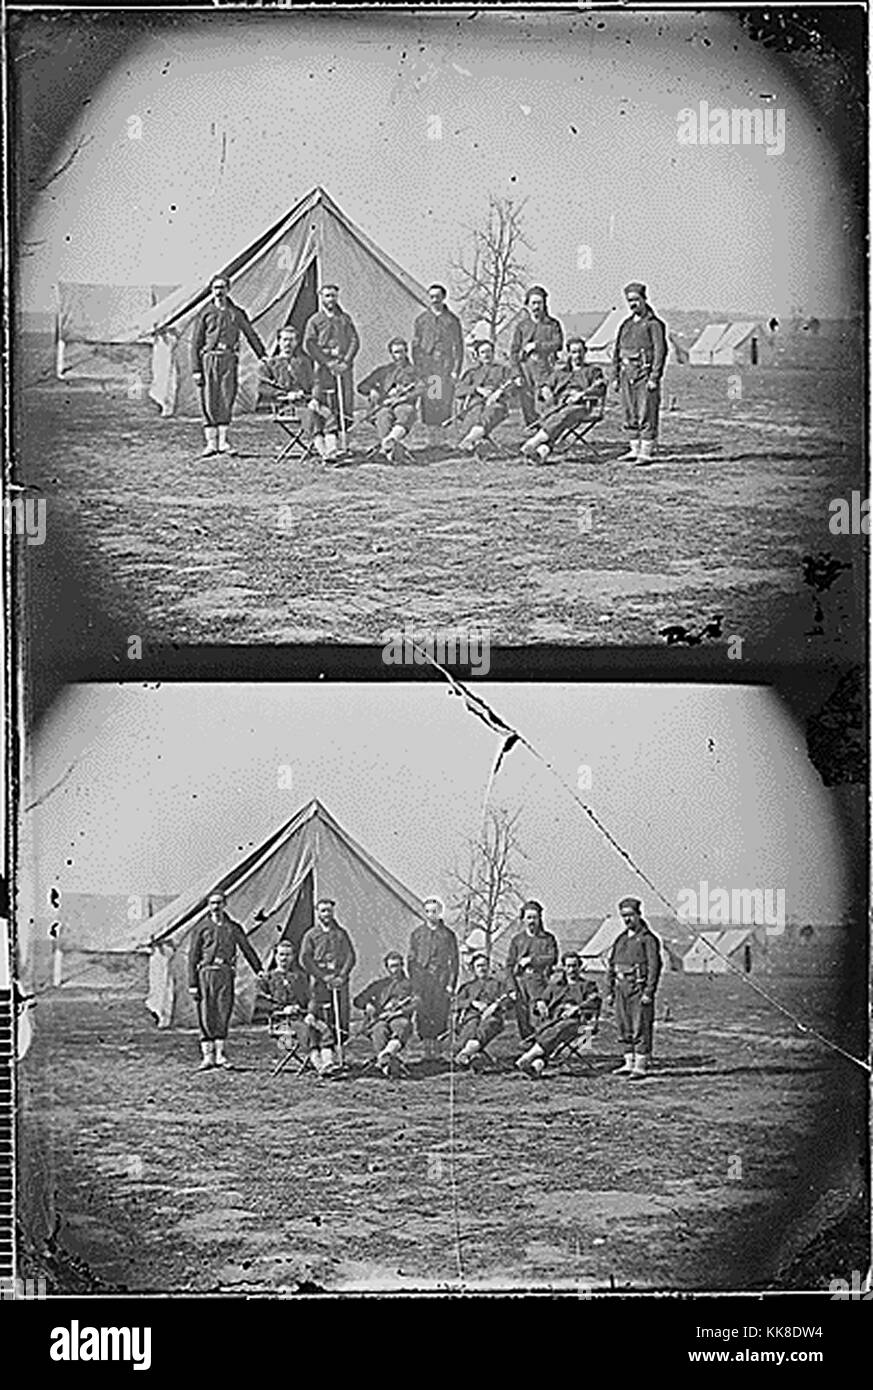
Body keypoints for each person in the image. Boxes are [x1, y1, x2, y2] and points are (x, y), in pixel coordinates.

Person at [187, 890, 266, 1070]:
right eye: (212, 903)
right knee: (206, 1014)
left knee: (223, 1011)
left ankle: (221, 1055)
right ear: (208, 906)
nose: (216, 907)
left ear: (225, 904)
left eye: (219, 903)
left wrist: (258, 969)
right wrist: (193, 983)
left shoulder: (233, 927)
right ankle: (207, 1057)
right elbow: (193, 956)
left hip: (225, 974)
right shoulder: (201, 928)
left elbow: (247, 949)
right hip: (206, 974)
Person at [191, 275, 268, 458]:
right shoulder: (205, 313)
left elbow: (250, 334)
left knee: (227, 397)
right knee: (209, 400)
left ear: (228, 289)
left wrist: (262, 355)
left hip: (229, 359)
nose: (219, 291)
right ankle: (211, 443)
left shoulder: (236, 313)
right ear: (211, 290)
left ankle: (223, 442)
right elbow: (196, 342)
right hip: (209, 359)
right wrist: (196, 369)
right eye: (216, 288)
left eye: (222, 287)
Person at [520, 337, 606, 464]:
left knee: (564, 415)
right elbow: (546, 385)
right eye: (574, 352)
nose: (577, 356)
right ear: (569, 353)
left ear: (585, 352)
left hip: (581, 406)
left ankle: (535, 441)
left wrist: (581, 394)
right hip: (559, 406)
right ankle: (541, 452)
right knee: (557, 417)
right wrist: (545, 390)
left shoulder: (593, 370)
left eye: (580, 352)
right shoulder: (561, 372)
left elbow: (599, 387)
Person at [516, 952, 601, 1075]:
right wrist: (540, 1003)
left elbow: (594, 1001)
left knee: (559, 1029)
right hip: (554, 1021)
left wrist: (576, 1008)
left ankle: (528, 1057)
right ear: (563, 967)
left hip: (580, 1024)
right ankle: (536, 1066)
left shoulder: (588, 985)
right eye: (568, 966)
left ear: (580, 967)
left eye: (574, 966)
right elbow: (543, 999)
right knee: (552, 1031)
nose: (571, 970)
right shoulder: (556, 985)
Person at [606, 896, 663, 1078]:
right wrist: (609, 991)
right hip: (621, 987)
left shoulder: (648, 939)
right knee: (624, 1025)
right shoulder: (620, 939)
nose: (627, 919)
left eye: (630, 915)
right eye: (623, 916)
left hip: (638, 988)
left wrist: (649, 991)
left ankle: (640, 1065)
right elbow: (611, 965)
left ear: (639, 915)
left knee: (641, 1026)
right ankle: (628, 1063)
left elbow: (655, 966)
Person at [302, 284, 360, 460]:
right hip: (323, 369)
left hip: (343, 369)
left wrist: (345, 362)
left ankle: (343, 444)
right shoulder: (315, 320)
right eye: (327, 296)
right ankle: (326, 445)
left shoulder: (345, 319)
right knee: (323, 402)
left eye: (333, 296)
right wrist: (327, 362)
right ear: (321, 297)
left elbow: (354, 340)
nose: (331, 300)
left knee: (344, 403)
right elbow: (309, 344)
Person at [612, 282, 667, 465]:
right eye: (629, 301)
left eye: (636, 300)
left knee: (646, 411)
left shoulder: (654, 324)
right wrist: (615, 377)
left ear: (644, 299)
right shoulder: (625, 325)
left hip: (645, 374)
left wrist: (654, 377)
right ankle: (634, 450)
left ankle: (646, 452)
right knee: (630, 412)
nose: (633, 304)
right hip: (626, 374)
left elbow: (660, 351)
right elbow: (617, 351)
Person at [298, 898, 357, 1069]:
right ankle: (322, 1056)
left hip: (339, 982)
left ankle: (338, 1058)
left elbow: (350, 956)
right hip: (320, 982)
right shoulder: (311, 935)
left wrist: (341, 976)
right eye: (323, 911)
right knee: (320, 1016)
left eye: (329, 911)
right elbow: (305, 959)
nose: (326, 914)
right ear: (317, 913)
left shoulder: (341, 934)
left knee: (339, 1018)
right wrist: (323, 977)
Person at [407, 897, 459, 1059]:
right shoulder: (417, 934)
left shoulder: (448, 935)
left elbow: (454, 961)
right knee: (423, 1013)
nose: (431, 915)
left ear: (440, 912)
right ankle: (426, 1052)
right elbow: (411, 960)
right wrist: (415, 983)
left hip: (441, 980)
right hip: (423, 981)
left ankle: (438, 1052)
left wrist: (451, 984)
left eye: (434, 911)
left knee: (440, 1013)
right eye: (428, 911)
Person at [353, 952, 419, 1077]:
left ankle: (386, 1054)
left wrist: (400, 1011)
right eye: (392, 966)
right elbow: (357, 1000)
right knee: (379, 1029)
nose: (396, 970)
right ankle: (387, 1065)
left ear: (402, 966)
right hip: (380, 1019)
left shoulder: (410, 984)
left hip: (398, 1017)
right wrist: (367, 1005)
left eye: (398, 965)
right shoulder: (380, 985)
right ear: (387, 968)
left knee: (402, 1025)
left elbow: (417, 1002)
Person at [356, 338, 423, 462]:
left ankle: (389, 441)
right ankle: (390, 451)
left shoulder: (415, 371)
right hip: (385, 405)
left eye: (401, 352)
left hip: (404, 404)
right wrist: (372, 390)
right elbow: (361, 386)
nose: (399, 356)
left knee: (405, 412)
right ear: (391, 354)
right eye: (396, 352)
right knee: (383, 415)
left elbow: (421, 388)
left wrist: (403, 398)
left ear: (406, 352)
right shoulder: (384, 370)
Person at [411, 284, 465, 434]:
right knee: (429, 401)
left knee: (444, 400)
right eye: (431, 297)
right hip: (428, 367)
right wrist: (419, 368)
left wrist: (456, 370)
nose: (434, 300)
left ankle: (443, 436)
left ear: (443, 298)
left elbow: (458, 346)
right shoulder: (421, 320)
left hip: (445, 366)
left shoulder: (452, 320)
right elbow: (416, 346)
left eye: (437, 297)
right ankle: (431, 437)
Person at [510, 286, 564, 426]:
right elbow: (514, 352)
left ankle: (551, 428)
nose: (536, 307)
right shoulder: (522, 327)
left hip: (546, 367)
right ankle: (533, 430)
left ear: (544, 304)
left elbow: (558, 344)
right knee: (527, 401)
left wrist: (537, 346)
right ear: (528, 305)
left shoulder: (552, 325)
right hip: (525, 368)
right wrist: (516, 374)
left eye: (539, 303)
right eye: (533, 303)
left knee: (547, 398)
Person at [505, 900, 559, 1038]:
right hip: (520, 982)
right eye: (528, 917)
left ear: (540, 918)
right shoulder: (517, 940)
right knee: (522, 1016)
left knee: (539, 1014)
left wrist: (532, 960)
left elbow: (552, 958)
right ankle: (527, 1045)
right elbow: (509, 965)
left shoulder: (548, 939)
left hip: (539, 981)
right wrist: (511, 988)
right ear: (523, 919)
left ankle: (542, 1045)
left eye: (535, 917)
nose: (532, 921)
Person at [453, 339, 515, 454]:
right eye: (483, 352)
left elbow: (513, 385)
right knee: (474, 415)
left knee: (489, 414)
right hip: (474, 406)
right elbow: (458, 390)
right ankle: (476, 443)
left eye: (489, 351)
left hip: (496, 405)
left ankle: (468, 442)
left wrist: (500, 392)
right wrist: (476, 389)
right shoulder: (472, 373)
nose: (487, 355)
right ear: (477, 355)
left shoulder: (503, 370)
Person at [453, 953, 510, 1068]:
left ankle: (466, 1054)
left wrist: (496, 1005)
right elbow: (456, 1003)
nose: (482, 968)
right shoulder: (467, 987)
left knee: (486, 1026)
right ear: (473, 969)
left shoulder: (497, 984)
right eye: (479, 966)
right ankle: (475, 1057)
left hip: (492, 1018)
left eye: (485, 965)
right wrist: (472, 1003)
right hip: (471, 1018)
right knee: (469, 1030)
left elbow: (508, 1001)